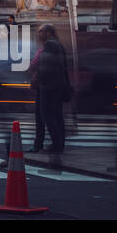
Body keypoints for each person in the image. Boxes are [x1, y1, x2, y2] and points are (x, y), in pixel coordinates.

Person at [34, 23, 69, 155]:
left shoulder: (50, 45)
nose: (39, 34)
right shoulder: (58, 44)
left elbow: (46, 66)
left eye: (41, 31)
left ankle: (56, 145)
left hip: (49, 86)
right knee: (57, 115)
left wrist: (39, 79)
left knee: (49, 115)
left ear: (48, 33)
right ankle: (59, 144)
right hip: (57, 85)